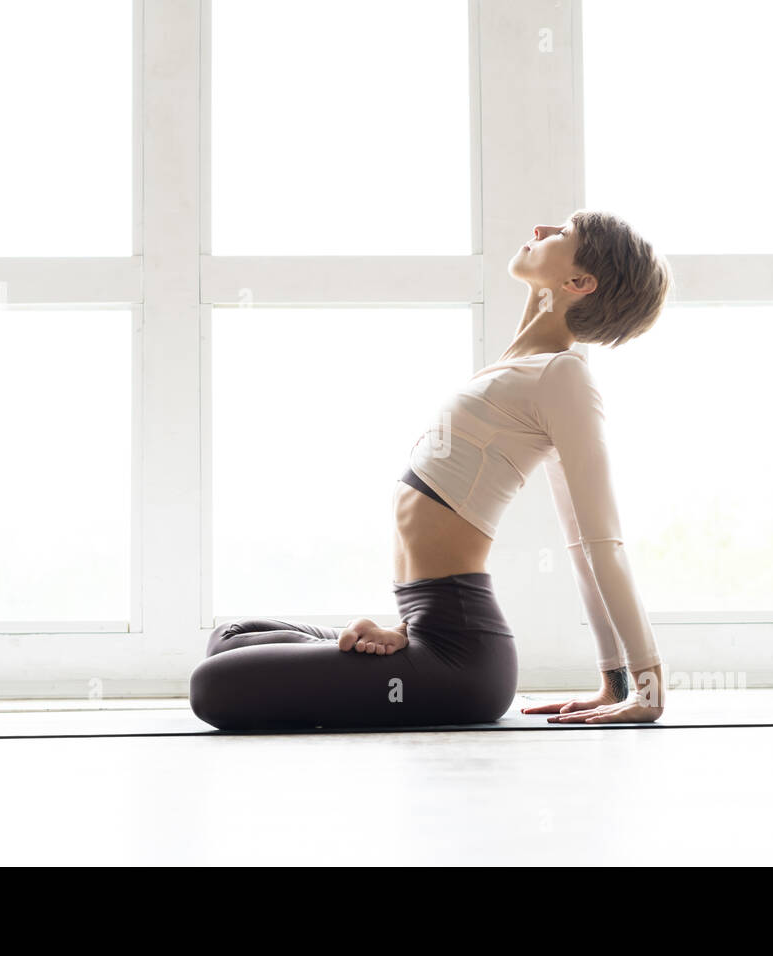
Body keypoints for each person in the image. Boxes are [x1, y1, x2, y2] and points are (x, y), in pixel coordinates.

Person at [189, 210, 672, 730]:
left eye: (562, 233)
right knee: (230, 639)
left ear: (579, 282)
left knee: (213, 686)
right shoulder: (524, 369)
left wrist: (637, 686)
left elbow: (593, 543)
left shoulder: (564, 375)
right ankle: (397, 642)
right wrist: (404, 629)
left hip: (460, 659)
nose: (538, 229)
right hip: (425, 629)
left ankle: (402, 654)